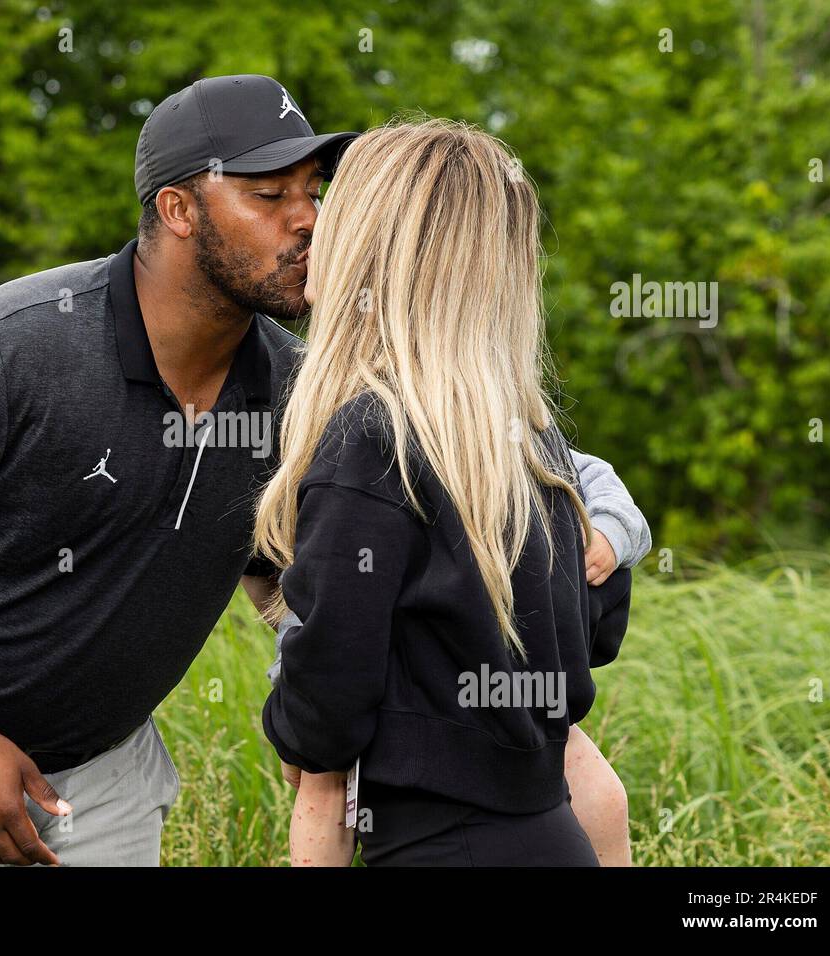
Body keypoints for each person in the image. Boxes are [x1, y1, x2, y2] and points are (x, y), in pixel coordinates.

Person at [0, 76, 645, 867]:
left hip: (102, 779)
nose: (307, 220)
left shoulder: (304, 391)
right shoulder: (20, 342)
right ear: (179, 210)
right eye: (269, 196)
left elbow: (511, 470)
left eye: (314, 192)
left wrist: (600, 538)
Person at [257, 118, 643, 867]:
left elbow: (325, 722)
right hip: (548, 837)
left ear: (369, 250)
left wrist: (295, 714)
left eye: (334, 213)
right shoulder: (527, 445)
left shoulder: (368, 441)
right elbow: (593, 635)